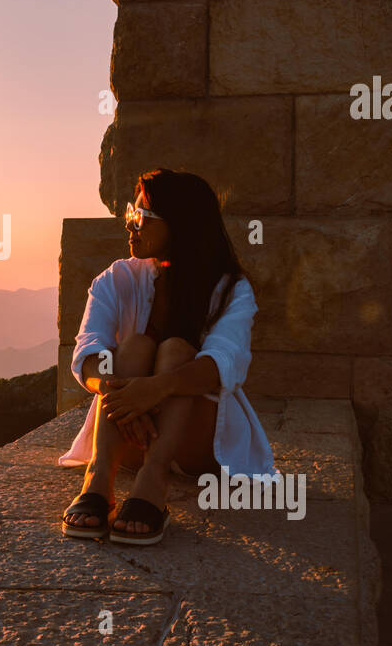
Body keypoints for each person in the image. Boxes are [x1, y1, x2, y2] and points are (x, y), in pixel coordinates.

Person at [60, 168, 278, 545]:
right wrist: (119, 392)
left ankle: (153, 479)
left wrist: (154, 391)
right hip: (127, 430)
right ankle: (98, 479)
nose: (130, 226)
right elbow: (88, 351)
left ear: (181, 225)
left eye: (141, 217)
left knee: (178, 349)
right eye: (131, 213)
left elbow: (222, 365)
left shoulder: (231, 289)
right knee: (135, 348)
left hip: (197, 444)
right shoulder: (117, 279)